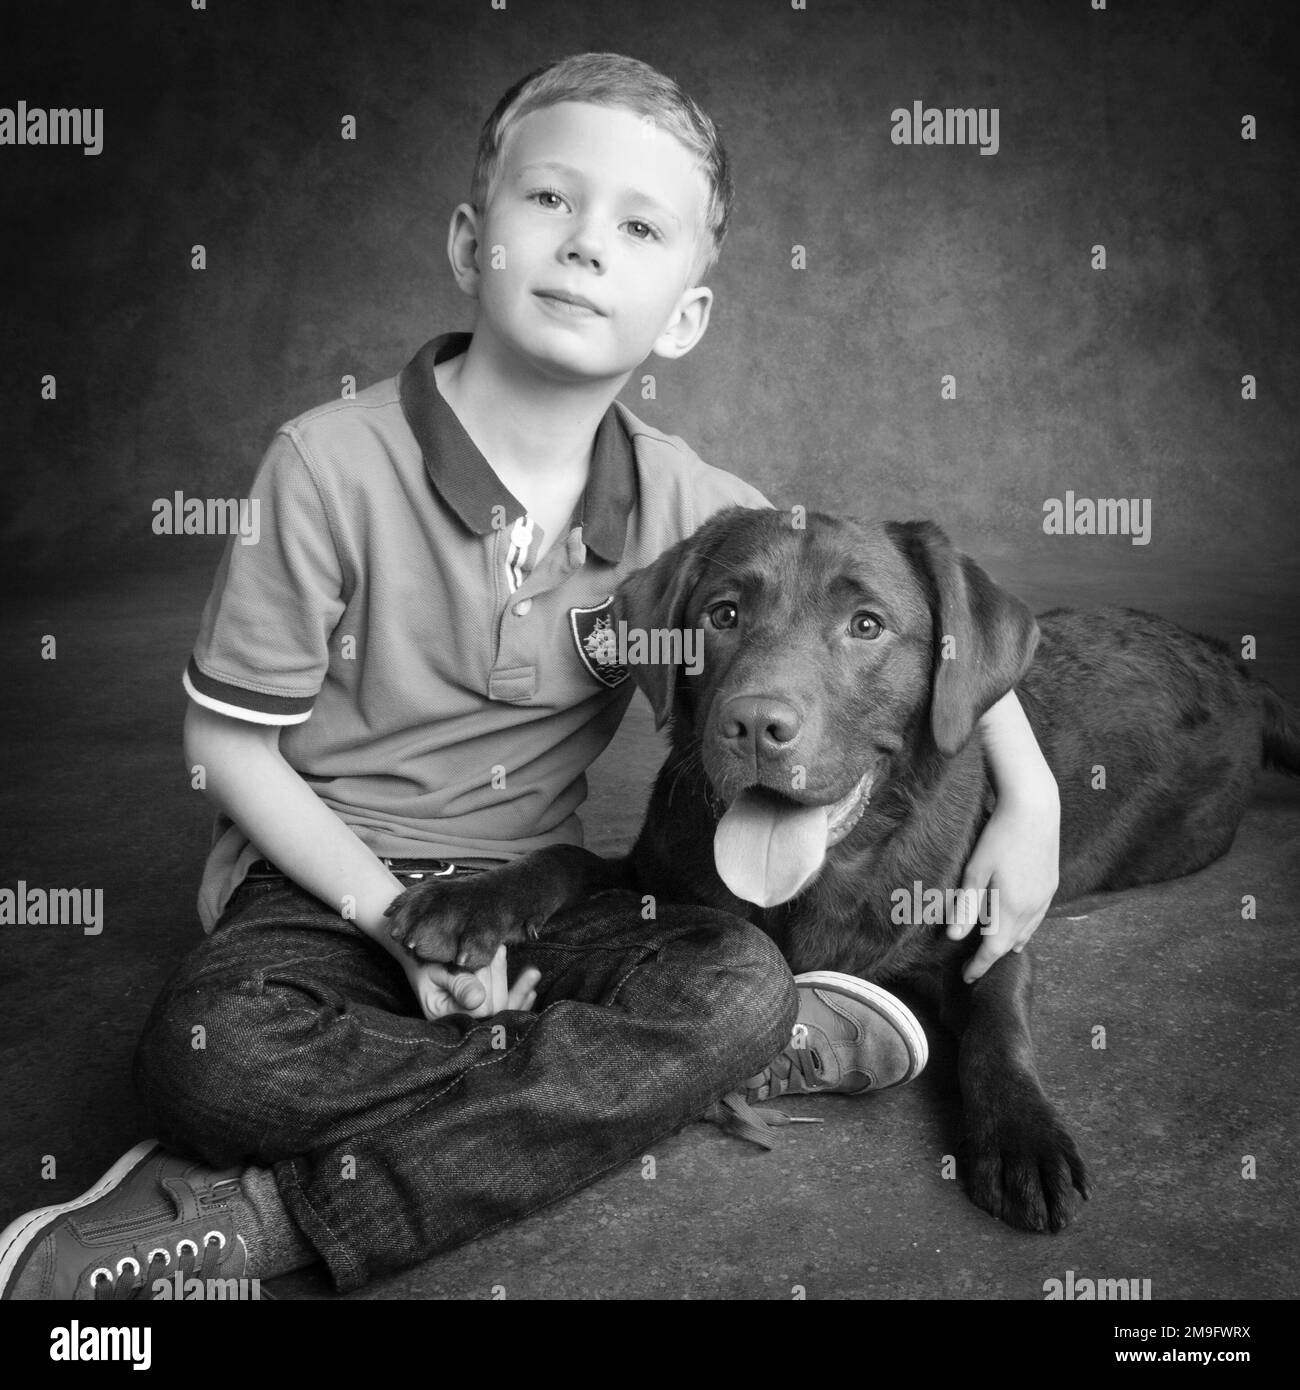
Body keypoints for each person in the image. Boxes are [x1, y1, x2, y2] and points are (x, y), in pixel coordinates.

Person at [0, 52, 1059, 1300]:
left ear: (685, 315)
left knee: (732, 986)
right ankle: (622, 1085)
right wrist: (390, 918)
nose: (586, 245)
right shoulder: (328, 462)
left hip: (540, 904)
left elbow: (898, 616)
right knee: (213, 1064)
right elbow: (229, 747)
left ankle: (264, 1219)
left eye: (639, 224)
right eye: (549, 200)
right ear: (469, 242)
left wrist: (1032, 802)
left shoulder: (702, 512)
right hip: (323, 888)